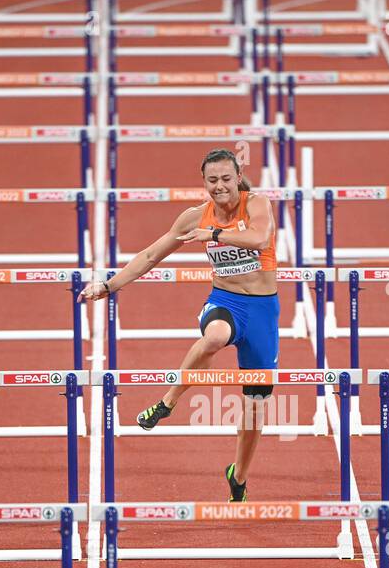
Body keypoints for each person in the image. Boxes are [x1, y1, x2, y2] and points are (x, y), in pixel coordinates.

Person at [83, 148, 278, 502]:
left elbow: (260, 239)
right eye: (212, 180)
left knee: (255, 410)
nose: (219, 186)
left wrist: (215, 236)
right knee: (215, 336)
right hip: (226, 302)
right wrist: (109, 286)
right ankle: (168, 403)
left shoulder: (257, 205)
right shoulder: (194, 217)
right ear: (203, 181)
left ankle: (239, 476)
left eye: (226, 179)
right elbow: (150, 255)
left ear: (238, 177)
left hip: (263, 311)